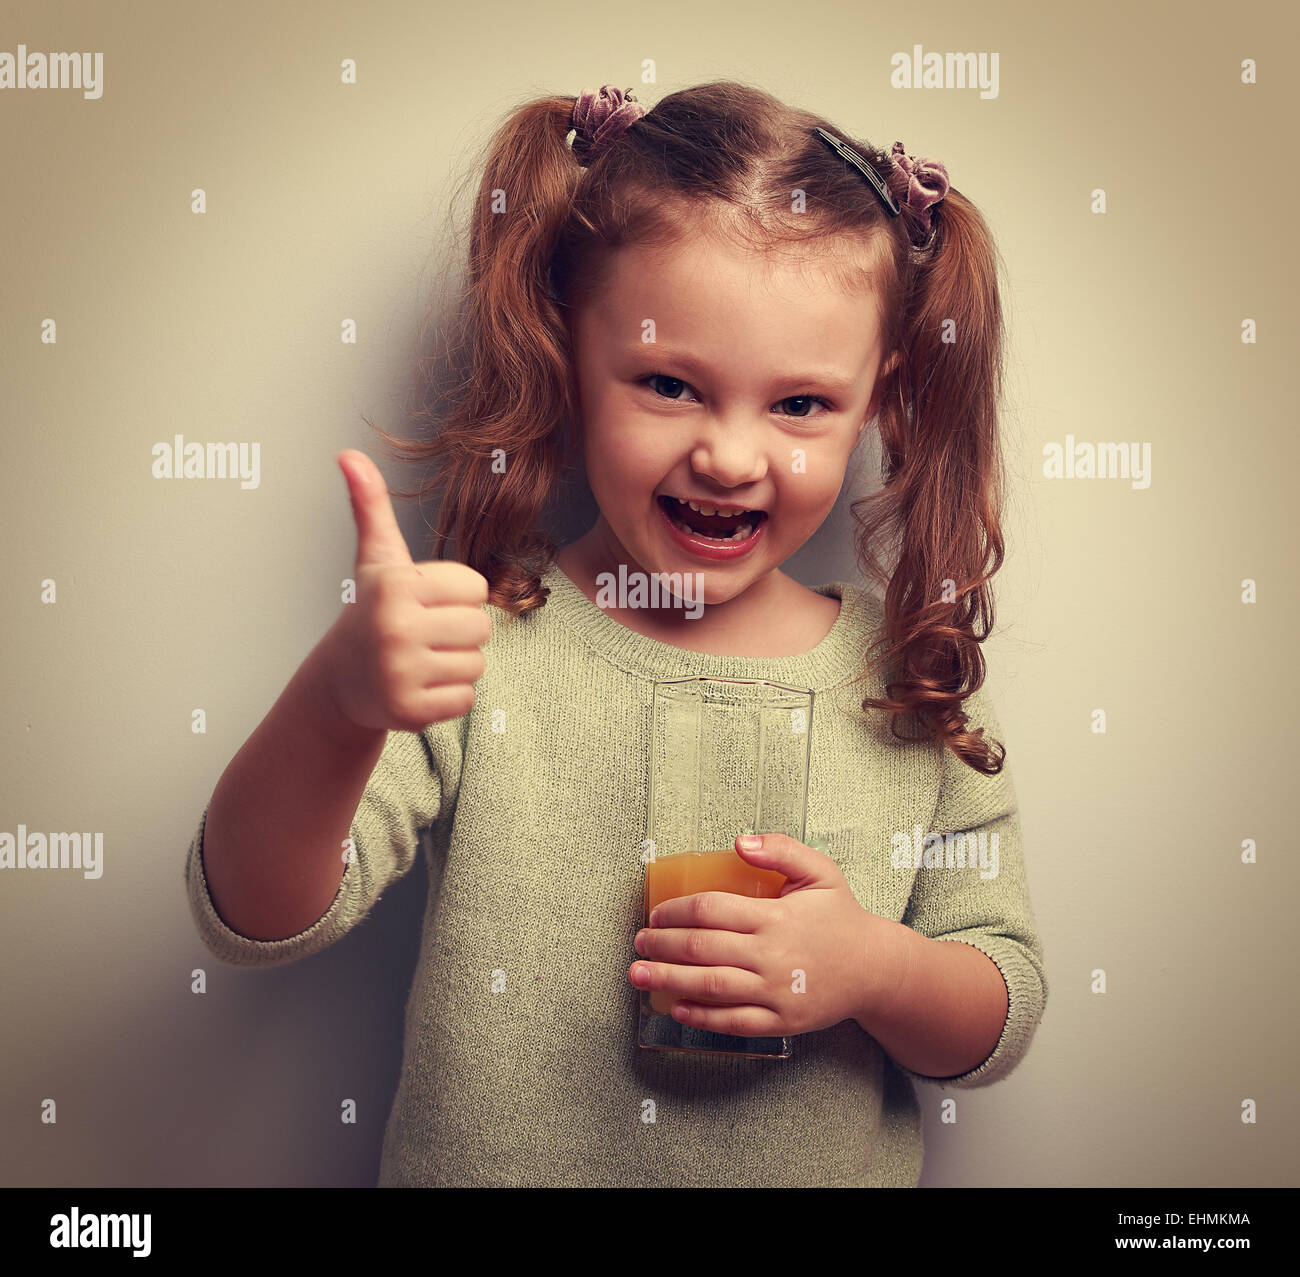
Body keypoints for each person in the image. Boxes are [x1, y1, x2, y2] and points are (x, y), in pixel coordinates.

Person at [184, 81, 1047, 1188]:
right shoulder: (482, 643)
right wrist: (339, 699)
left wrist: (874, 969)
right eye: (670, 383)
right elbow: (255, 917)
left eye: (798, 405)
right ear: (564, 352)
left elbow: (999, 1003)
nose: (731, 455)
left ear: (878, 398)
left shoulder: (912, 684)